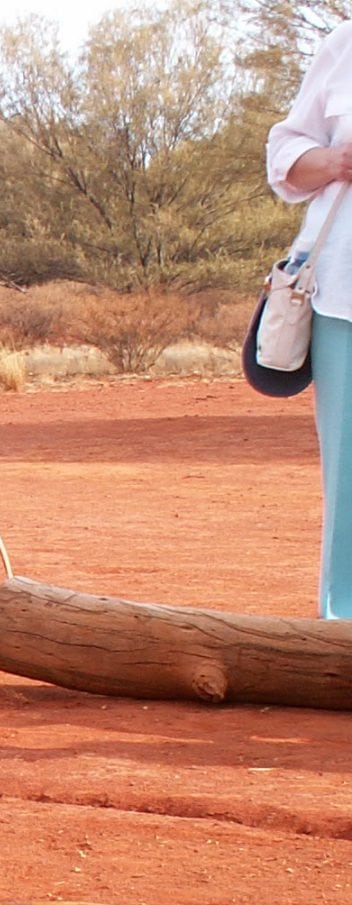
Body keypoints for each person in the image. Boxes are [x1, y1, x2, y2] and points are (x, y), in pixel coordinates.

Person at [269, 21, 352, 619]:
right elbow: (287, 156)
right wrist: (333, 159)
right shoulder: (345, 41)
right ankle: (343, 626)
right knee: (347, 477)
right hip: (343, 296)